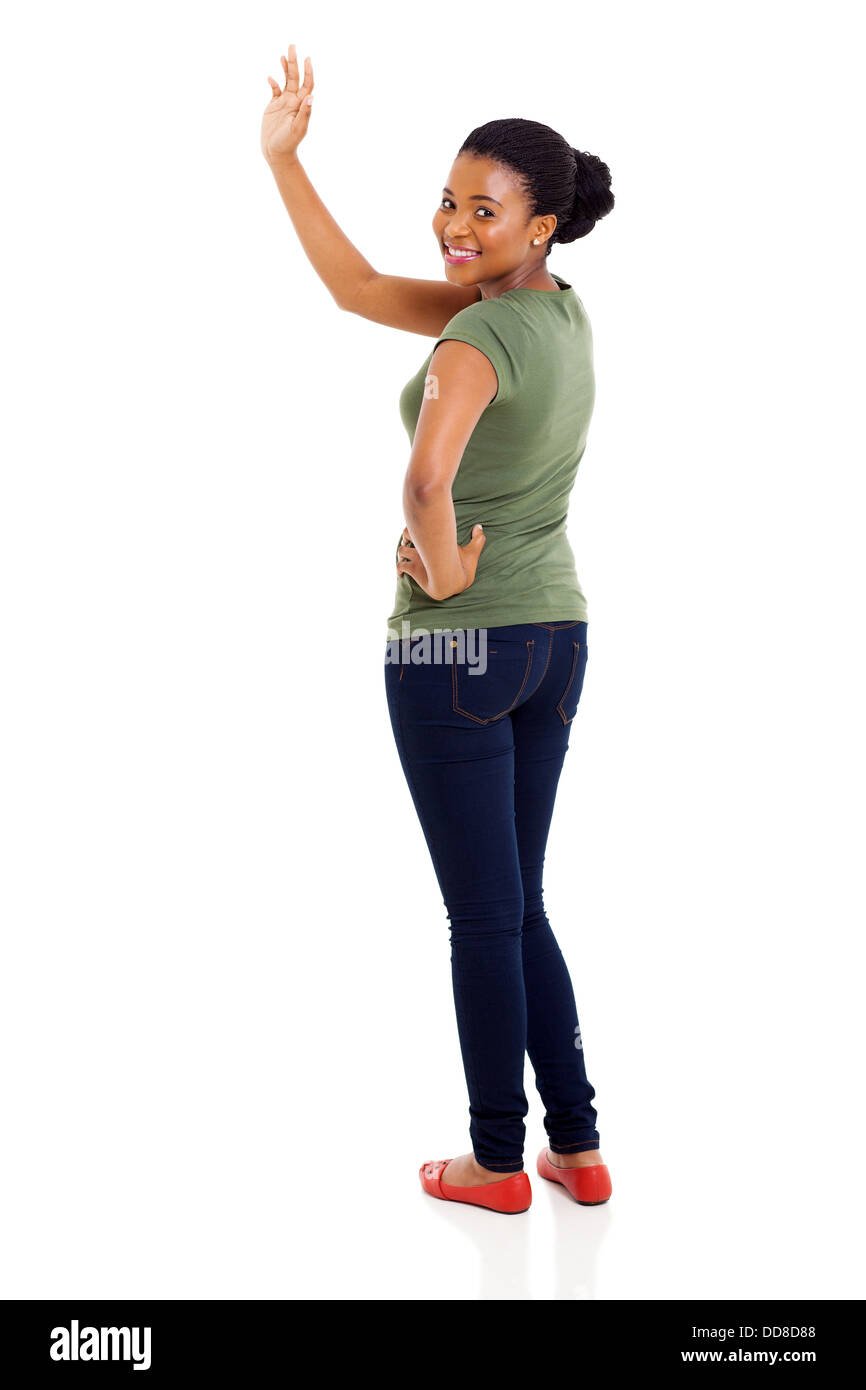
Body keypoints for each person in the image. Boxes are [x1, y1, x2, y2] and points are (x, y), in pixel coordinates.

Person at [262, 43, 615, 1215]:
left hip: (451, 651)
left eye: (484, 209)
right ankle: (577, 1143)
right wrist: (287, 162)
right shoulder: (552, 316)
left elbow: (427, 480)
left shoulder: (471, 339)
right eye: (450, 199)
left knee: (481, 917)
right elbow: (360, 290)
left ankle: (495, 1162)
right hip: (554, 639)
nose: (454, 225)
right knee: (523, 902)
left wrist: (448, 566)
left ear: (542, 224)